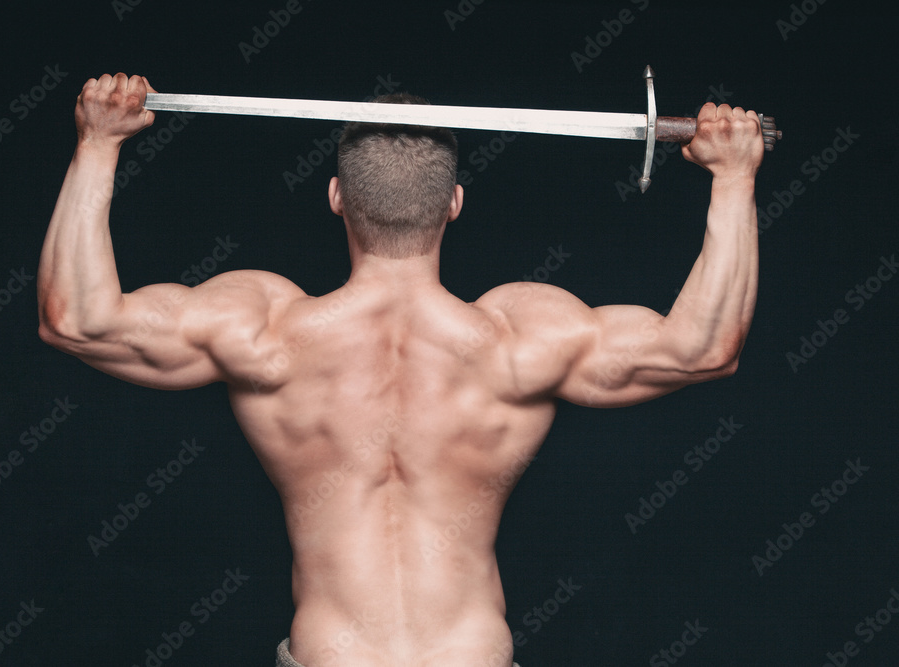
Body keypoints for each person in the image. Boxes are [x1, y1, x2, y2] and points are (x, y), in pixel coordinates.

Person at [38, 72, 764, 667]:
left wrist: (97, 144)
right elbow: (704, 347)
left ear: (334, 198)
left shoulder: (266, 331)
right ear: (453, 204)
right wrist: (733, 178)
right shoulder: (520, 338)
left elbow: (75, 318)